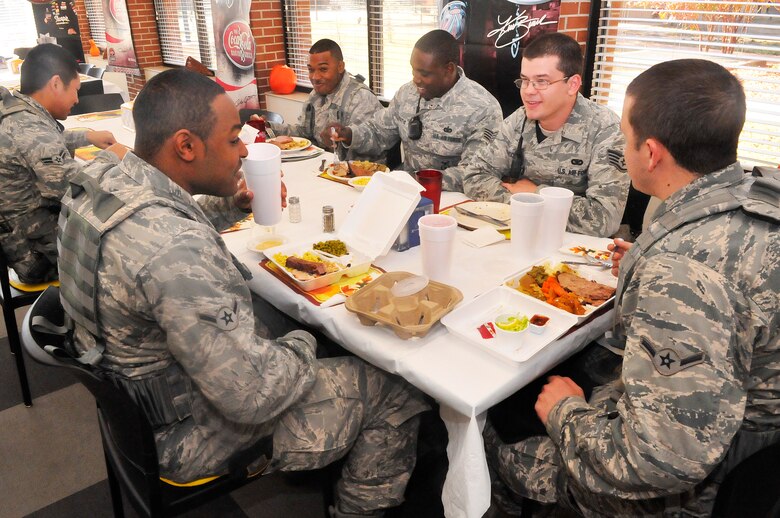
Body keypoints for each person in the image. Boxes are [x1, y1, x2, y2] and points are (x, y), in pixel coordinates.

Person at [57, 69, 429, 518]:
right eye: (234, 139)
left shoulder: (104, 184)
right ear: (186, 146)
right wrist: (305, 342)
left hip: (131, 400)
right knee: (396, 386)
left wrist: (228, 206)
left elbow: (164, 229)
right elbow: (253, 395)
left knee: (282, 322)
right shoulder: (175, 247)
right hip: (184, 433)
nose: (244, 150)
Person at [485, 59, 779, 516]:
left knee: (495, 438)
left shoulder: (681, 271)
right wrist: (643, 261)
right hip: (749, 439)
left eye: (626, 137)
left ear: (652, 153)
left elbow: (660, 459)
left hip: (704, 483)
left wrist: (565, 413)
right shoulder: (747, 198)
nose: (623, 148)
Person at [461, 32, 629, 237]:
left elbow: (602, 219)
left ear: (573, 84)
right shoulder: (519, 120)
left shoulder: (605, 129)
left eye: (541, 82)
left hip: (576, 248)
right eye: (524, 80)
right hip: (521, 234)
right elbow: (474, 176)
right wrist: (522, 204)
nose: (528, 91)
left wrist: (534, 194)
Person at [0, 43, 122, 283]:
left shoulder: (19, 113)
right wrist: (112, 157)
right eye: (75, 90)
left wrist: (86, 136)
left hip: (25, 236)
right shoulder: (30, 129)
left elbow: (41, 142)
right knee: (136, 249)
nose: (77, 99)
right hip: (40, 256)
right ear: (55, 84)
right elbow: (80, 190)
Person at [323, 29, 502, 192]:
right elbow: (379, 131)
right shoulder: (407, 93)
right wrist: (349, 134)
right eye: (413, 71)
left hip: (451, 197)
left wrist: (414, 180)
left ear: (449, 69)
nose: (416, 80)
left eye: (424, 73)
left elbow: (474, 172)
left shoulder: (482, 108)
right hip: (403, 190)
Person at [265, 39, 382, 161]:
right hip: (321, 167)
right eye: (311, 70)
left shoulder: (360, 97)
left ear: (340, 66)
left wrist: (345, 135)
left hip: (357, 174)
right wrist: (269, 127)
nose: (315, 77)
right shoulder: (316, 94)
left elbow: (373, 143)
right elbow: (303, 133)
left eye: (323, 69)